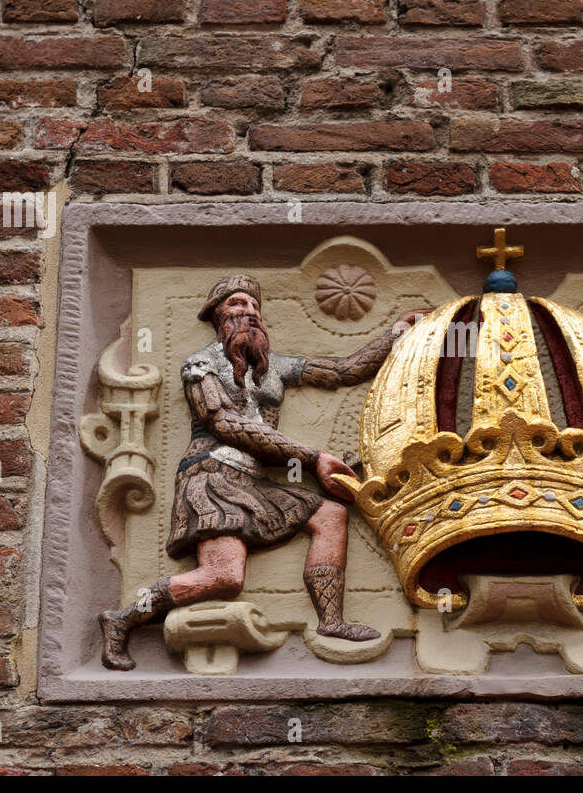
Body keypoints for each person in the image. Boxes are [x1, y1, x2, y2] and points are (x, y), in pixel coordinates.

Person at [100, 274, 427, 669]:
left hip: (253, 481)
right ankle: (124, 618)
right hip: (212, 476)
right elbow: (227, 425)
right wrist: (312, 457)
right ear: (218, 314)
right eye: (237, 305)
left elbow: (344, 371)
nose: (249, 313)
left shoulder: (275, 369)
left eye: (254, 307)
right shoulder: (201, 364)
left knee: (330, 513)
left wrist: (397, 335)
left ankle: (331, 621)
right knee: (225, 578)